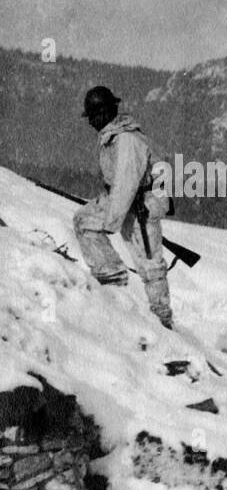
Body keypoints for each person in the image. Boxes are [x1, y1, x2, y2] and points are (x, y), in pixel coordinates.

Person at [72, 86, 173, 329]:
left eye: (93, 116)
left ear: (104, 113)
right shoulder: (114, 136)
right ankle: (112, 280)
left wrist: (111, 222)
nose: (91, 123)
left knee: (150, 266)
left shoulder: (126, 140)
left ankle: (163, 322)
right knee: (84, 221)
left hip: (142, 205)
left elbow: (126, 184)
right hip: (125, 201)